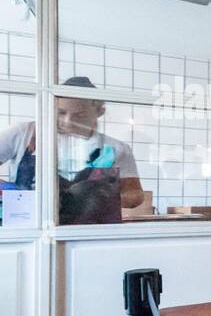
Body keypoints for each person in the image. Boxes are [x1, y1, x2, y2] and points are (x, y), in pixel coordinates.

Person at [0, 76, 144, 222]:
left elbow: (135, 194)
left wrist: (103, 196)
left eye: (80, 115)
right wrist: (10, 191)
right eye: (61, 113)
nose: (67, 122)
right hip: (32, 228)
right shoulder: (24, 133)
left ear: (100, 112)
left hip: (92, 232)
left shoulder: (116, 148)